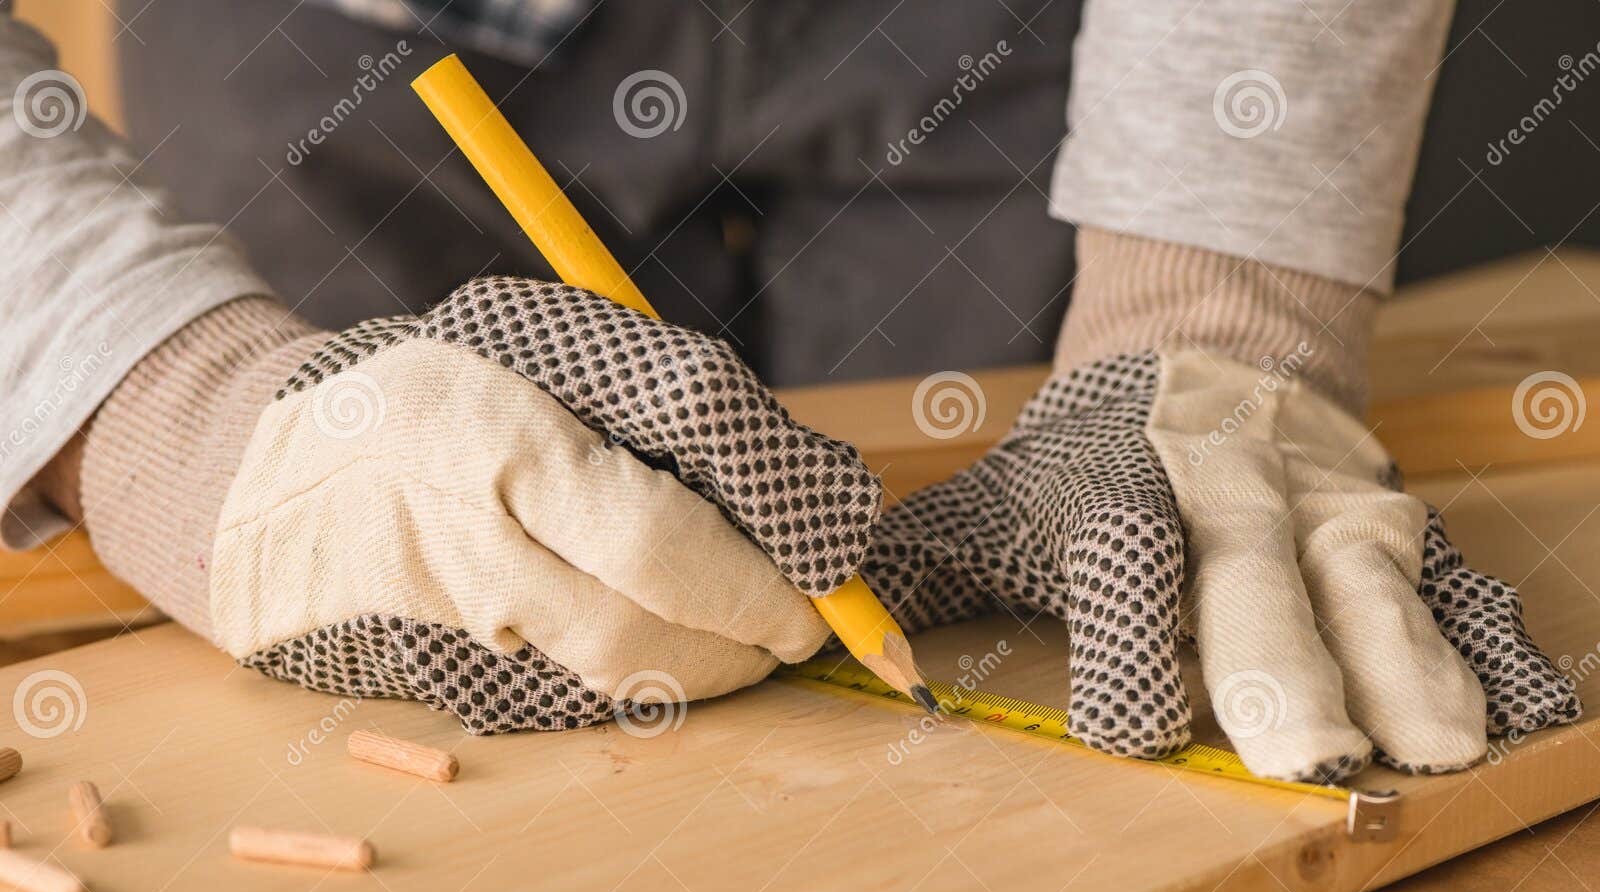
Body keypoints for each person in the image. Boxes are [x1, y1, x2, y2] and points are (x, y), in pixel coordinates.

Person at [0, 0, 1581, 782]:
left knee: (1036, 592)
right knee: (456, 590)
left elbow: (1206, 325)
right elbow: (188, 414)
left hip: (981, 35)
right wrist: (163, 402)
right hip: (341, 45)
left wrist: (1219, 302)